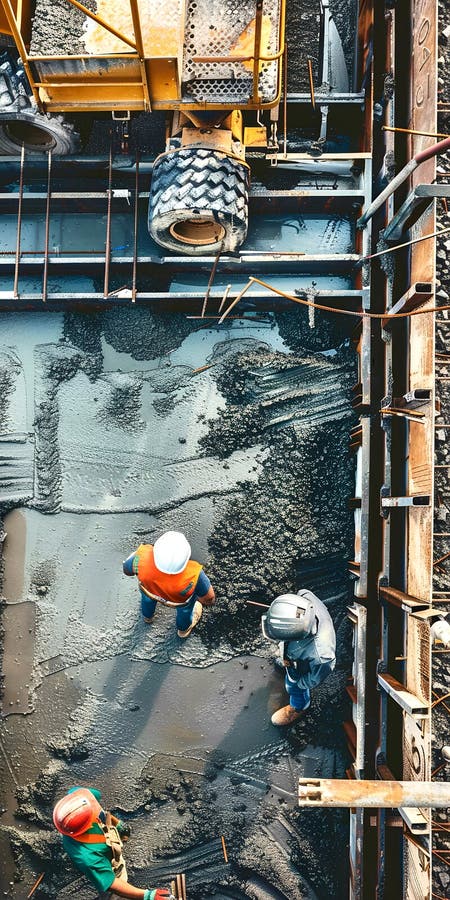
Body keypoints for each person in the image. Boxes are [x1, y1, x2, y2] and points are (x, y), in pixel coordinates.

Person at [53, 786, 172, 899]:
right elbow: (111, 883)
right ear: (87, 826)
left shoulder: (81, 797)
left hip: (97, 841)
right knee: (114, 894)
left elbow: (102, 813)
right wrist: (146, 896)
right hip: (106, 867)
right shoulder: (88, 857)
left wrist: (117, 824)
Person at [262, 589, 336, 726]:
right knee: (286, 658)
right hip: (295, 650)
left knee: (294, 686)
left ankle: (300, 706)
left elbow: (315, 677)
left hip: (302, 664)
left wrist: (299, 683)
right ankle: (286, 659)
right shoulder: (303, 597)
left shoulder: (321, 656)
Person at [123, 530, 215, 639]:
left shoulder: (140, 558)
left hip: (149, 591)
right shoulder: (194, 574)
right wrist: (205, 601)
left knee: (147, 601)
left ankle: (148, 617)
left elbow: (127, 571)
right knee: (185, 612)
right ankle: (183, 630)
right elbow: (209, 598)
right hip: (179, 601)